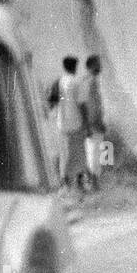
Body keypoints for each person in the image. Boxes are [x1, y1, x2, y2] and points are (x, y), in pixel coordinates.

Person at [48, 56, 88, 189]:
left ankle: (64, 183)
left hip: (62, 123)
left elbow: (51, 102)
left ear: (64, 67)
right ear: (75, 67)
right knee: (79, 153)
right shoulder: (77, 82)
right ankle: (79, 183)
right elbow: (82, 104)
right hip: (76, 123)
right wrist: (86, 123)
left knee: (65, 153)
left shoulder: (58, 82)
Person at [82, 55, 107, 192]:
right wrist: (87, 125)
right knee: (92, 155)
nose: (100, 67)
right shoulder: (89, 82)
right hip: (91, 125)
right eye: (98, 64)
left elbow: (97, 105)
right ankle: (92, 185)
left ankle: (95, 184)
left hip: (95, 124)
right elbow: (85, 105)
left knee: (96, 155)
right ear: (91, 66)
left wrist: (101, 121)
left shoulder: (94, 81)